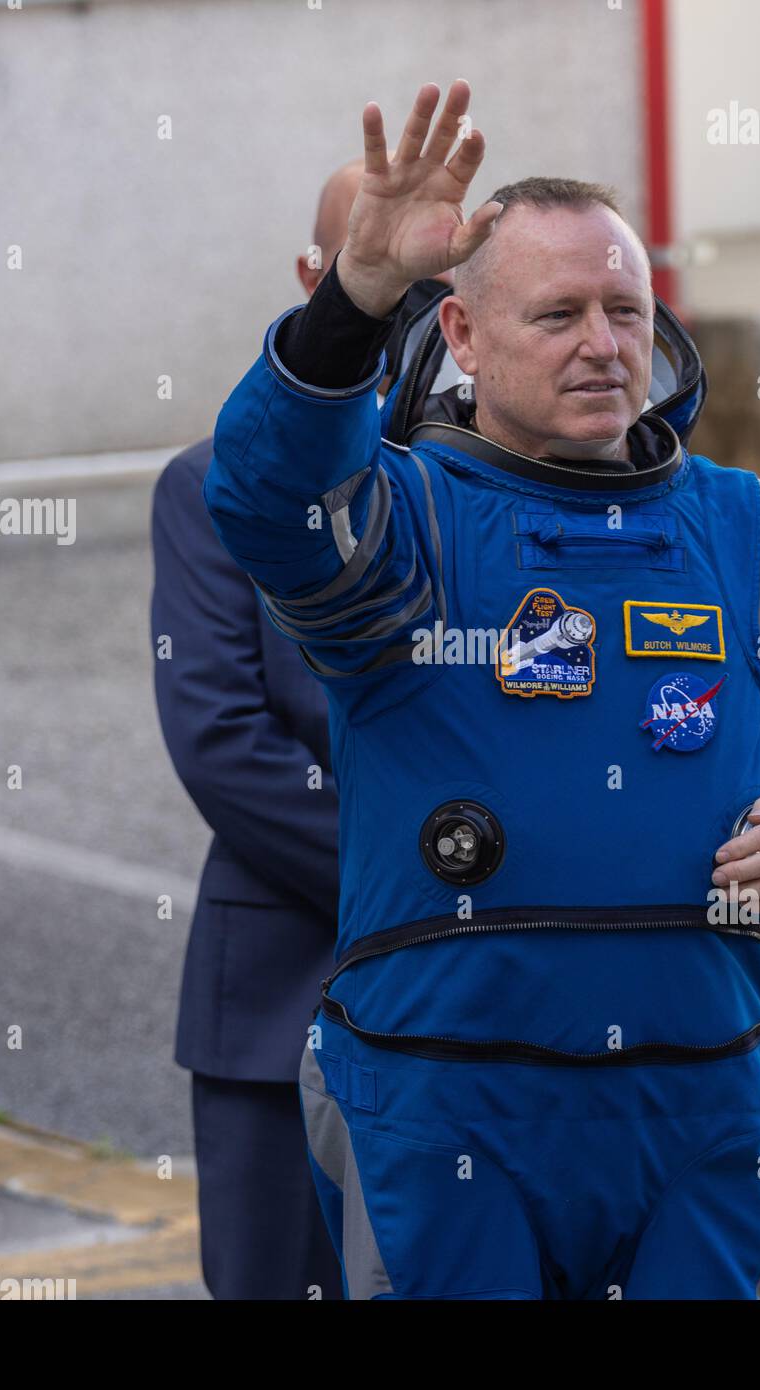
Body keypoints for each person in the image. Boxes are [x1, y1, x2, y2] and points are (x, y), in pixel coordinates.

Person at [204, 80, 760, 1300]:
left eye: (624, 309)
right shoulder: (406, 523)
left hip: (701, 1092)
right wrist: (351, 304)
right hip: (444, 1097)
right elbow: (270, 497)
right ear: (467, 340)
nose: (603, 343)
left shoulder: (749, 530)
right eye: (557, 314)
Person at [150, 157, 448, 1300]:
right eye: (371, 264)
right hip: (285, 997)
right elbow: (221, 739)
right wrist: (426, 871)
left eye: (429, 274)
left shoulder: (488, 488)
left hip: (472, 1012)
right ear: (313, 276)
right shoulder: (213, 486)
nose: (400, 298)